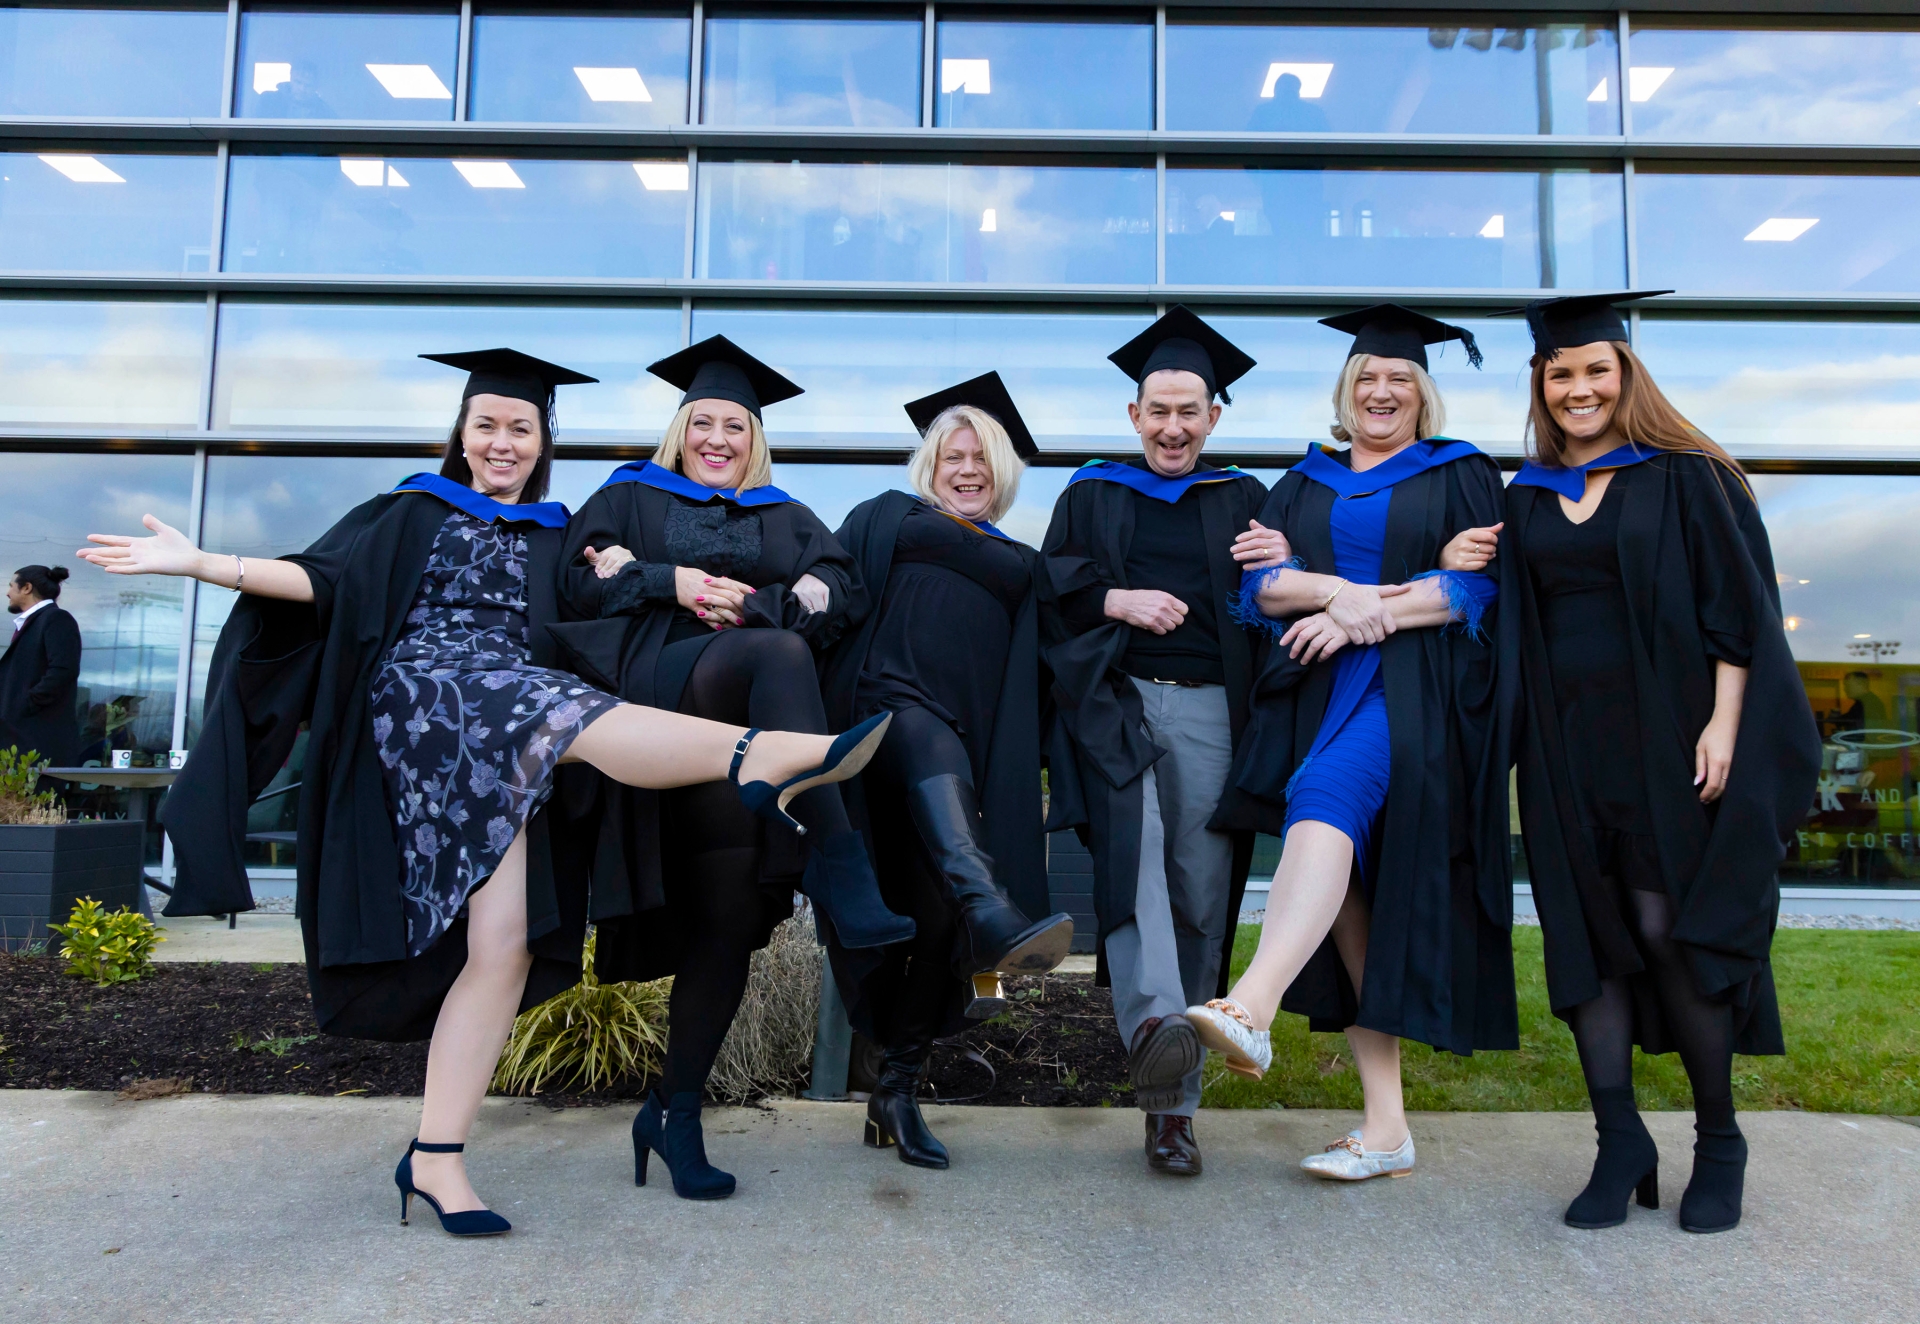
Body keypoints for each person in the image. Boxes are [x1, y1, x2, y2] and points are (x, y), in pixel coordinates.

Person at [78, 348, 890, 1238]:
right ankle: (761, 756)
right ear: (461, 435)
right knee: (565, 709)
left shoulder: (553, 531)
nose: (503, 444)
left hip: (510, 733)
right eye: (487, 427)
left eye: (521, 429)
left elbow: (596, 600)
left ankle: (435, 1158)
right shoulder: (413, 511)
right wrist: (203, 562)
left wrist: (681, 578)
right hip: (433, 702)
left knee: (501, 946)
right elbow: (324, 582)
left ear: (543, 442)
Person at [557, 335, 909, 1201]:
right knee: (775, 652)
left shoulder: (784, 514)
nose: (718, 439)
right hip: (657, 698)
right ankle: (839, 861)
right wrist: (668, 582)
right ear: (680, 431)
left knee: (725, 926)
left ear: (756, 439)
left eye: (735, 427)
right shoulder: (630, 494)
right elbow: (578, 582)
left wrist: (775, 599)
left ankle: (672, 1115)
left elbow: (838, 586)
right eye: (703, 423)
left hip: (741, 751)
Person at [1498, 292, 1819, 1234]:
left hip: (1668, 738)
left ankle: (1720, 1142)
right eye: (1560, 373)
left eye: (1595, 369)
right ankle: (1619, 1142)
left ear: (1626, 374)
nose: (1578, 388)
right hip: (1561, 748)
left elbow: (1737, 611)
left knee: (1669, 927)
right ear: (1541, 386)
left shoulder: (1688, 475)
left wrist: (1723, 725)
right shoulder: (1526, 495)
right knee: (1587, 936)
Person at [1188, 305, 1516, 1182]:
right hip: (1319, 690)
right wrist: (1343, 595)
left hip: (1410, 695)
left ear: (1423, 393)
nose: (1382, 390)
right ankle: (1386, 1128)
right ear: (1346, 389)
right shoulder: (1302, 482)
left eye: (1400, 378)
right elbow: (1264, 591)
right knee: (1349, 899)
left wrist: (1353, 614)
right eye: (1367, 377)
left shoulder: (1461, 472)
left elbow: (1476, 592)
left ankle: (1251, 1005)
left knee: (1322, 797)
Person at [823, 372, 1074, 1168]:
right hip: (882, 715)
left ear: (1002, 471)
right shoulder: (889, 517)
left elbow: (1061, 645)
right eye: (952, 456)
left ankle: (895, 1091)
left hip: (959, 756)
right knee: (920, 730)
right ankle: (990, 907)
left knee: (931, 923)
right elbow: (826, 582)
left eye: (981, 458)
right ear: (929, 465)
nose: (967, 469)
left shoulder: (1022, 562)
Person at [1038, 306, 1268, 1177]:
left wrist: (1287, 558)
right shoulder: (1092, 493)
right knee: (1134, 867)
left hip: (1214, 712)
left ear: (1215, 417)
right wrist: (1114, 600)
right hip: (1120, 704)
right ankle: (1158, 1046)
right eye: (1158, 411)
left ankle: (1176, 1104)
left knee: (1201, 896)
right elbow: (1049, 590)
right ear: (1133, 415)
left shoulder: (1246, 496)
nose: (1173, 428)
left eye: (1189, 412)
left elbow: (1283, 591)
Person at [1, 565, 81, 768]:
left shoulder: (56, 618)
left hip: (39, 747)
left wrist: (25, 704)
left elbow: (63, 670)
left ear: (26, 588)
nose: (7, 593)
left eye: (11, 586)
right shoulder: (34, 622)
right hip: (21, 744)